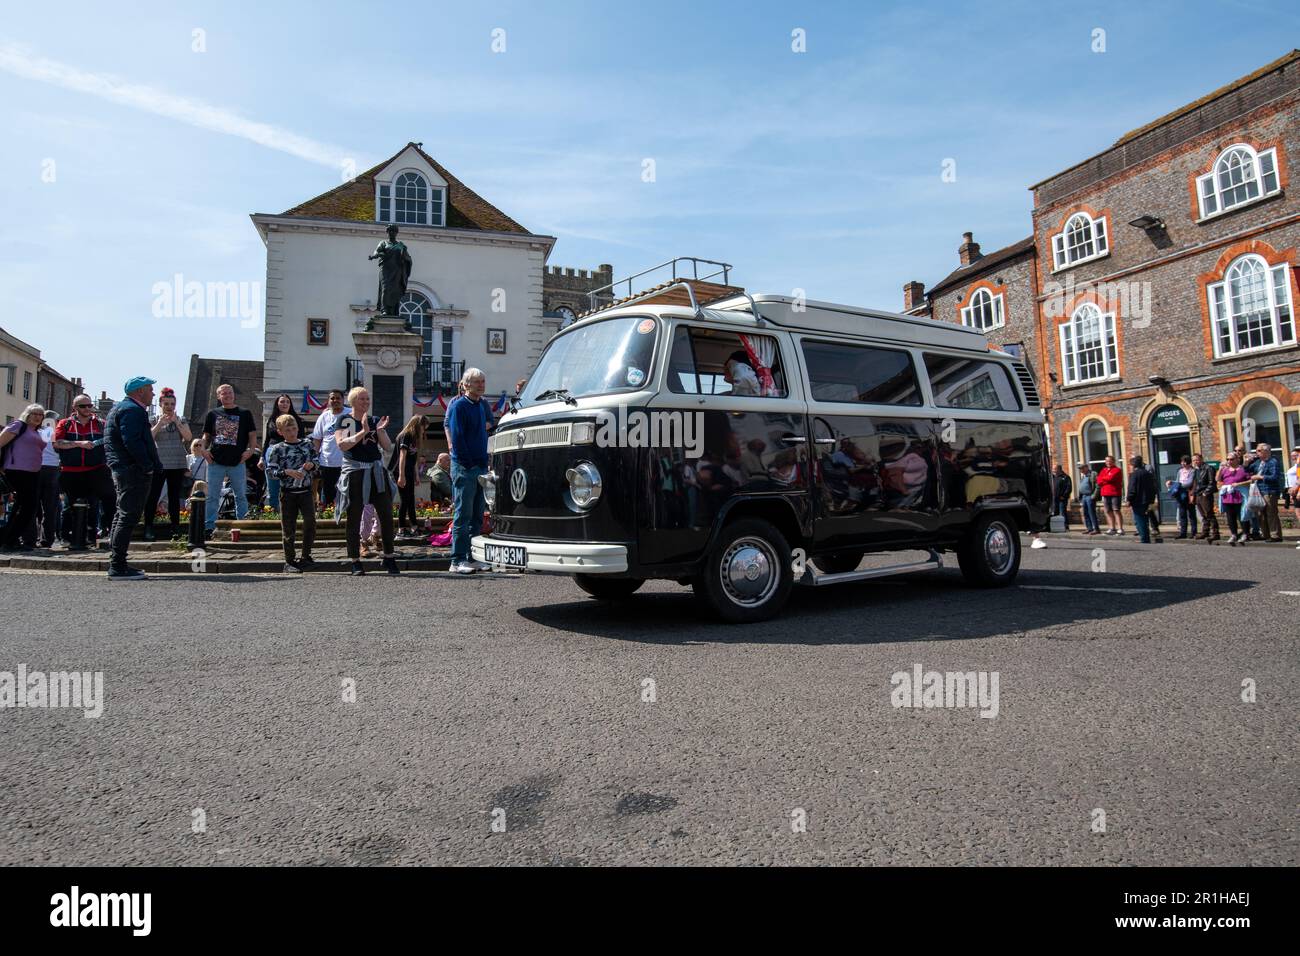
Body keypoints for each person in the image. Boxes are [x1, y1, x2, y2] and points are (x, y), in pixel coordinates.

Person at [335, 386, 399, 575]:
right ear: (353, 401)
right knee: (354, 517)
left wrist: (380, 431)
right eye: (362, 399)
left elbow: (387, 448)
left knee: (386, 515)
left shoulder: (373, 420)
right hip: (355, 472)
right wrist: (363, 432)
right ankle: (355, 561)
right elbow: (342, 444)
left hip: (376, 472)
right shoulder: (344, 420)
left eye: (367, 399)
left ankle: (389, 557)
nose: (366, 402)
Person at [103, 377, 163, 580]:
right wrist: (147, 466)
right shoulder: (132, 411)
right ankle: (118, 566)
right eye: (150, 390)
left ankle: (116, 561)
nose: (153, 394)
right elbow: (133, 441)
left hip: (123, 468)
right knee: (128, 516)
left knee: (121, 515)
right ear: (140, 392)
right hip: (132, 470)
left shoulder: (119, 409)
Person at [52, 393, 117, 547]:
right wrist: (79, 444)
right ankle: (66, 537)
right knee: (70, 505)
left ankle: (94, 536)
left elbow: (111, 442)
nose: (88, 408)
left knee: (99, 502)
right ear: (75, 408)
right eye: (83, 406)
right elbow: (57, 443)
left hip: (96, 469)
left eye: (90, 405)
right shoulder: (65, 424)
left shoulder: (101, 424)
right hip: (71, 471)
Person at [446, 368, 492, 574]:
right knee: (462, 515)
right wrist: (470, 463)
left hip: (480, 466)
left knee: (476, 517)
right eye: (477, 382)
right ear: (466, 385)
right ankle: (457, 560)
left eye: (482, 381)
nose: (481, 385)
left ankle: (472, 558)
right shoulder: (459, 406)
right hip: (465, 467)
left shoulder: (481, 405)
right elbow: (457, 438)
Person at [200, 384, 259, 539]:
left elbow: (252, 435)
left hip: (237, 461)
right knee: (212, 495)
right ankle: (209, 526)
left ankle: (243, 524)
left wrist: (251, 450)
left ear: (234, 394)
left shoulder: (245, 413)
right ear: (219, 396)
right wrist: (204, 450)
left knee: (240, 495)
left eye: (230, 392)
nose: (227, 395)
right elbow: (207, 436)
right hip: (216, 461)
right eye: (223, 393)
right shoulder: (212, 414)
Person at [264, 413, 318, 573]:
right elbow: (270, 471)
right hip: (288, 493)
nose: (292, 432)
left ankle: (306, 556)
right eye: (288, 430)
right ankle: (289, 560)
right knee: (288, 527)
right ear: (281, 432)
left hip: (306, 491)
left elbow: (317, 461)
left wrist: (311, 465)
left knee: (310, 522)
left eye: (294, 428)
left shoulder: (307, 444)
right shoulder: (277, 449)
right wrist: (286, 472)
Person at [0, 404, 50, 551]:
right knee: (27, 506)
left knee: (25, 507)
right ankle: (9, 540)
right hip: (16, 470)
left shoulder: (39, 431)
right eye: (34, 413)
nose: (37, 417)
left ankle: (10, 539)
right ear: (27, 414)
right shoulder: (18, 425)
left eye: (41, 415)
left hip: (33, 472)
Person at [144, 386, 191, 540]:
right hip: (159, 462)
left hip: (176, 462)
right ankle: (148, 527)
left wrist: (177, 423)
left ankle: (175, 527)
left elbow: (188, 437)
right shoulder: (152, 419)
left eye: (172, 404)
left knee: (174, 495)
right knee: (153, 495)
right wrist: (159, 424)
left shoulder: (181, 419)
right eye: (166, 404)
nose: (169, 407)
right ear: (161, 404)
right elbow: (148, 438)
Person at [259, 394, 302, 516]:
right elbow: (267, 440)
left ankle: (293, 515)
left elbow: (302, 439)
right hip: (272, 454)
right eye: (282, 402)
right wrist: (262, 458)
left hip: (291, 454)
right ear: (277, 404)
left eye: (287, 402)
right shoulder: (271, 420)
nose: (284, 404)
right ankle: (273, 516)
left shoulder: (296, 420)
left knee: (292, 487)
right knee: (273, 488)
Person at [310, 389, 349, 512]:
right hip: (327, 462)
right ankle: (329, 517)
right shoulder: (324, 417)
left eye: (338, 398)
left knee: (346, 493)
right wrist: (314, 458)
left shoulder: (351, 414)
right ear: (328, 401)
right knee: (328, 494)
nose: (335, 400)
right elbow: (317, 439)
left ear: (343, 400)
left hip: (347, 462)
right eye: (332, 398)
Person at [391, 415, 423, 538]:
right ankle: (401, 529)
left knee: (410, 499)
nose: (423, 431)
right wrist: (401, 475)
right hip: (401, 471)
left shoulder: (414, 438)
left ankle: (414, 527)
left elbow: (413, 458)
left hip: (409, 471)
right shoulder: (406, 436)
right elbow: (402, 457)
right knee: (405, 500)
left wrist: (416, 475)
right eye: (423, 427)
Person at [36, 413, 63, 548]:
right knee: (50, 507)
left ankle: (31, 537)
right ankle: (47, 539)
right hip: (51, 468)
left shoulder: (36, 432)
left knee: (34, 506)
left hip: (36, 468)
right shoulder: (51, 432)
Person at [1249, 443, 1283, 542]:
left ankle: (1275, 535)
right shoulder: (1257, 462)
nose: (1257, 453)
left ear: (1267, 451)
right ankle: (1266, 534)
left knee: (1271, 513)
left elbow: (1274, 477)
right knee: (1260, 514)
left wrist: (1260, 477)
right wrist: (1246, 463)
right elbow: (1246, 471)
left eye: (1259, 451)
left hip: (1269, 490)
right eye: (1256, 451)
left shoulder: (1273, 462)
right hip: (1258, 491)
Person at [1218, 452, 1251, 546]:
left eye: (1231, 459)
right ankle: (1234, 534)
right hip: (1228, 496)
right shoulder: (1225, 470)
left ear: (1237, 459)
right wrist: (1220, 469)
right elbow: (1218, 479)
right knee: (1230, 517)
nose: (1229, 461)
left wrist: (1239, 484)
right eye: (1227, 459)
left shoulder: (1242, 469)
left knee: (1242, 515)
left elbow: (1250, 480)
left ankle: (1245, 533)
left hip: (1240, 495)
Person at [1125, 454, 1158, 544]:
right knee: (1145, 519)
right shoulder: (1148, 474)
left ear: (1134, 465)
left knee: (1140, 520)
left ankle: (1144, 538)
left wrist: (1129, 499)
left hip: (1138, 500)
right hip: (1148, 499)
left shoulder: (1134, 475)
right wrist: (1152, 498)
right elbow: (1153, 487)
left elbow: (1132, 489)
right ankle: (1145, 537)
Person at [1166, 454, 1197, 539]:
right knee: (1182, 514)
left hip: (1188, 493)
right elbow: (1177, 481)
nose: (1183, 464)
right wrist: (1171, 482)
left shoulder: (1192, 471)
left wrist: (1178, 485)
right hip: (1180, 494)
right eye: (1182, 462)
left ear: (1189, 463)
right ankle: (1183, 533)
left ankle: (1193, 532)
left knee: (1191, 514)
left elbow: (1189, 483)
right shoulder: (1180, 471)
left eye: (1185, 462)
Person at [1190, 453, 1220, 544]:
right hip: (1198, 494)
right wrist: (1193, 494)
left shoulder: (1208, 468)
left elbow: (1212, 483)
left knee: (1209, 514)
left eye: (1197, 459)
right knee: (1203, 515)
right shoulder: (1195, 470)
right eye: (1194, 460)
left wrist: (1205, 493)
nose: (1196, 461)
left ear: (1202, 459)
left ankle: (1215, 533)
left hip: (1205, 494)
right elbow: (1195, 483)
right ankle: (1205, 532)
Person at [1097, 455, 1124, 536]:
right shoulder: (1103, 470)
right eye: (1106, 461)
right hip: (1105, 493)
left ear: (1113, 461)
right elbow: (1098, 480)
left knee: (1116, 510)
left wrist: (1104, 479)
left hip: (1114, 493)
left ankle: (1120, 528)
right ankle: (1112, 528)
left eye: (1109, 461)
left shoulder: (1117, 470)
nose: (1108, 462)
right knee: (1108, 511)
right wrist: (1105, 479)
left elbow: (1111, 478)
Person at [1076, 463, 1100, 535]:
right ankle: (1089, 528)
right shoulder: (1084, 476)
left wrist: (1094, 495)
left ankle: (1096, 529)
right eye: (1080, 469)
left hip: (1090, 496)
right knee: (1085, 513)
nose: (1081, 470)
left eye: (1082, 468)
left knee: (1091, 512)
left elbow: (1097, 486)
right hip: (1084, 496)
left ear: (1086, 467)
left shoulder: (1093, 474)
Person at [1051, 464, 1072, 530]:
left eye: (1054, 469)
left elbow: (1068, 488)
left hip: (1062, 498)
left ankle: (1065, 526)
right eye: (1053, 469)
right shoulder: (1053, 477)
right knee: (1055, 512)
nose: (1053, 470)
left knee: (1062, 512)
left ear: (1059, 469)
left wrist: (1064, 496)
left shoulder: (1065, 477)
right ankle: (1057, 527)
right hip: (1054, 498)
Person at [1287, 449, 1300, 549]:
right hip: (1295, 493)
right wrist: (1291, 492)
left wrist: (1295, 488)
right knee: (1298, 514)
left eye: (1297, 455)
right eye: (1293, 455)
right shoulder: (1294, 467)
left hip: (1298, 492)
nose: (1294, 457)